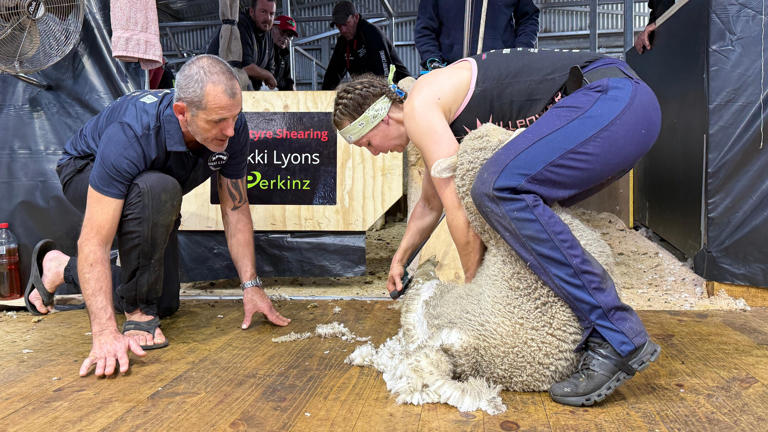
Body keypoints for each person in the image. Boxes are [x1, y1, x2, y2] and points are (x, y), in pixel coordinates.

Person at [331, 49, 662, 407]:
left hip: (612, 102)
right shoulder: (432, 111)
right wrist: (400, 259)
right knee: (517, 213)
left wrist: (478, 300)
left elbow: (458, 210)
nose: (374, 153)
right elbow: (430, 204)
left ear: (381, 119)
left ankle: (616, 334)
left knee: (495, 189)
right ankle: (585, 329)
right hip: (624, 113)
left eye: (367, 144)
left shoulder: (419, 107)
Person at [24, 55, 291, 377]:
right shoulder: (133, 132)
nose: (231, 130)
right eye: (219, 120)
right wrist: (105, 332)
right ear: (182, 112)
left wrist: (251, 285)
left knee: (164, 303)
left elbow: (235, 208)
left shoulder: (232, 129)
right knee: (158, 187)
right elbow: (94, 241)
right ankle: (137, 311)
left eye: (235, 116)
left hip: (152, 192)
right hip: (84, 169)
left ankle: (60, 266)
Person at [415, 0, 539, 70]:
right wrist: (433, 61)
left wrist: (520, 53)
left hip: (500, 71)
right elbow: (425, 28)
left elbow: (528, 18)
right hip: (452, 73)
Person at [321, 0, 410, 90]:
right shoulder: (342, 42)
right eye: (339, 26)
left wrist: (384, 94)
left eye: (345, 24)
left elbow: (384, 73)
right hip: (368, 88)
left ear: (356, 17)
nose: (343, 30)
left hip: (399, 87)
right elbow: (332, 74)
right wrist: (324, 94)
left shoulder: (372, 34)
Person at [206, 0, 277, 90]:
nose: (268, 18)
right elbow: (246, 67)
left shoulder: (267, 33)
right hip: (216, 85)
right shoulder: (239, 26)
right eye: (263, 12)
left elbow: (270, 68)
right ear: (252, 12)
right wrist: (267, 75)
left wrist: (267, 75)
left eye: (272, 14)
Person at [271, 15, 298, 91]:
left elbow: (286, 77)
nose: (285, 37)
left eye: (289, 35)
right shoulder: (264, 49)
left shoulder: (285, 54)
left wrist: (290, 85)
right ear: (272, 28)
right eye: (283, 32)